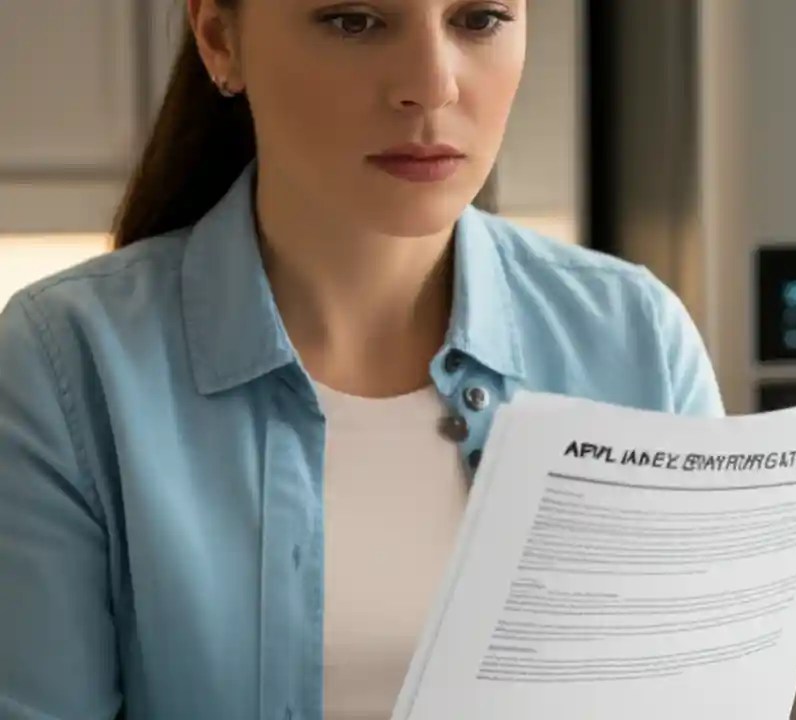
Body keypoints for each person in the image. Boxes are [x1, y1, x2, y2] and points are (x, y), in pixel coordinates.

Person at [0, 0, 723, 717]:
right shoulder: (67, 362)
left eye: (479, 20)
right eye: (354, 21)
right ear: (221, 41)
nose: (432, 84)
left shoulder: (637, 340)